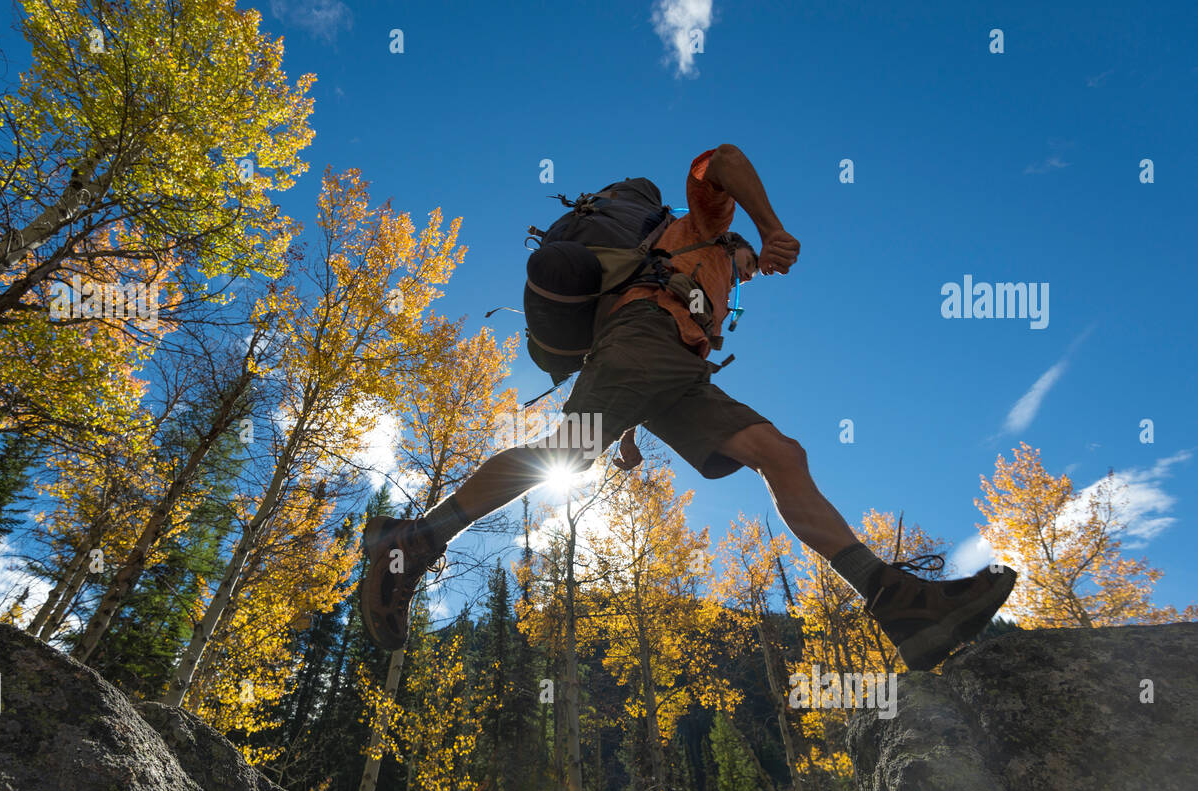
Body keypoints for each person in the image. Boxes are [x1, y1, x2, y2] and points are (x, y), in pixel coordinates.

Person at [359, 143, 1016, 670]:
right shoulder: (703, 225)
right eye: (748, 260)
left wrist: (633, 428)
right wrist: (771, 227)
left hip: (676, 372)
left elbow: (680, 327)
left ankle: (898, 603)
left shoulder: (720, 275)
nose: (754, 266)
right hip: (642, 342)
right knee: (563, 456)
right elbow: (723, 157)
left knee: (780, 455)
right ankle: (410, 542)